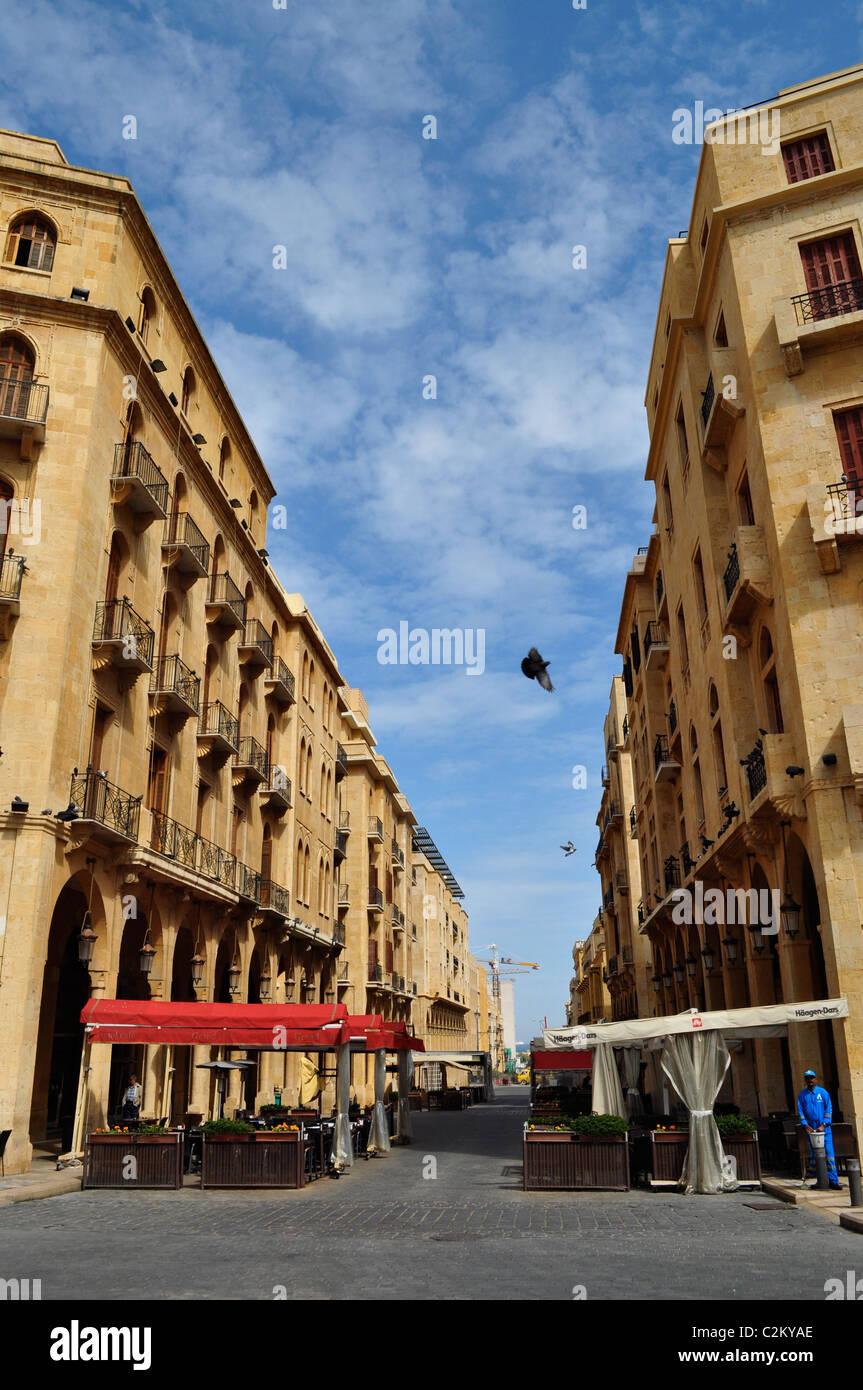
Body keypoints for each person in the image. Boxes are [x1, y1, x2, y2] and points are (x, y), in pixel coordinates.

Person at [797, 1068, 841, 1190]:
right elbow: (801, 1112)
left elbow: (829, 1110)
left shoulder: (823, 1093)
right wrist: (805, 1124)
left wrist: (825, 1124)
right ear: (805, 1080)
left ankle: (833, 1180)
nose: (810, 1080)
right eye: (807, 1078)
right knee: (815, 1155)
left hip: (824, 1130)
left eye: (812, 1078)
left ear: (815, 1079)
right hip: (811, 1130)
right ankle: (820, 1180)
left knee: (829, 1154)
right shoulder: (802, 1095)